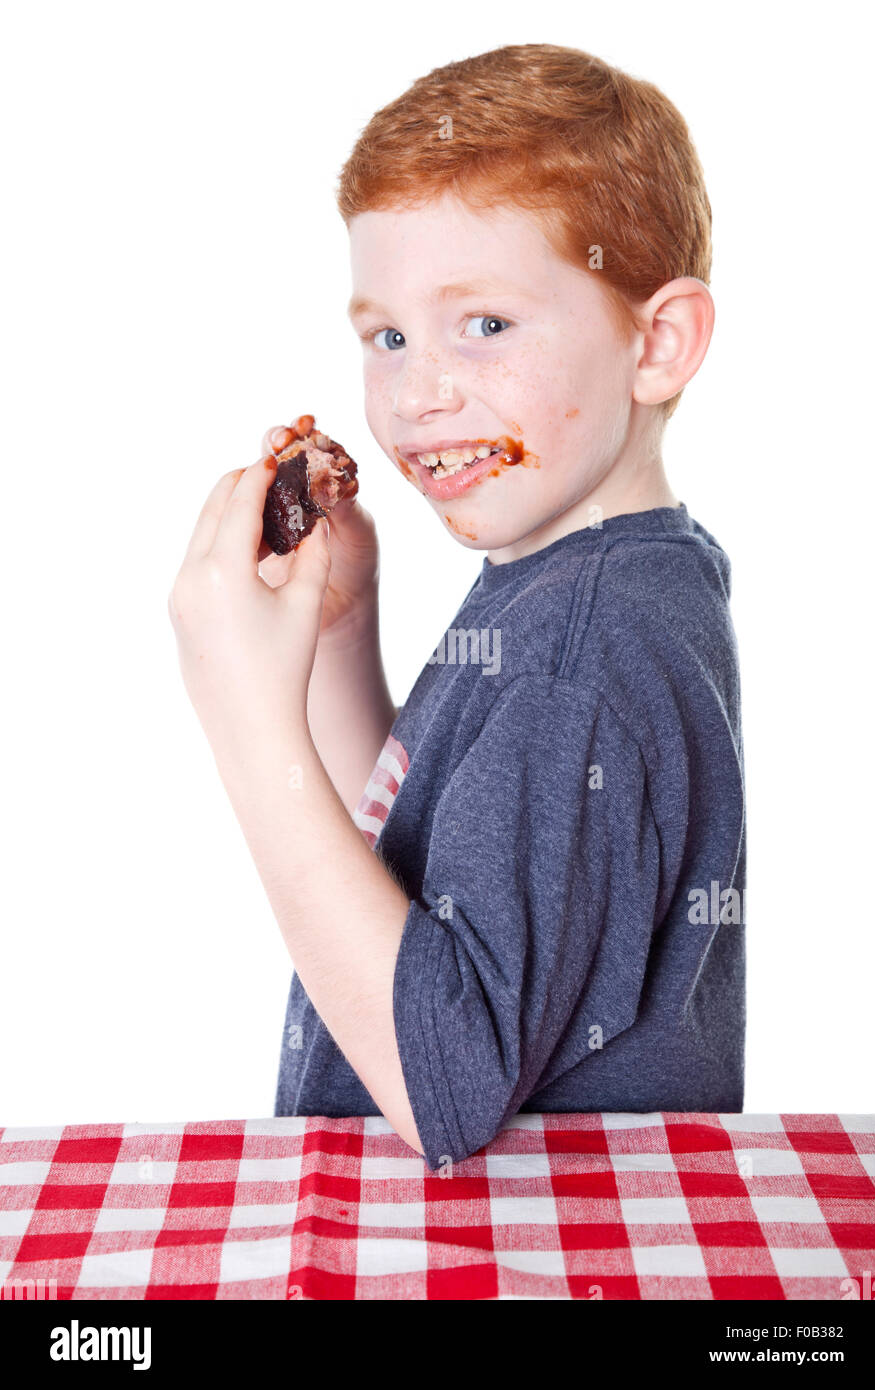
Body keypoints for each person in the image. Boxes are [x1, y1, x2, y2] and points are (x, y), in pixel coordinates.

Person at [169, 43, 746, 1170]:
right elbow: (426, 860)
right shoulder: (587, 584)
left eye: (483, 323)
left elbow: (444, 1078)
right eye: (386, 336)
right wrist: (341, 632)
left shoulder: (577, 650)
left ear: (656, 343)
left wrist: (247, 728)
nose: (418, 393)